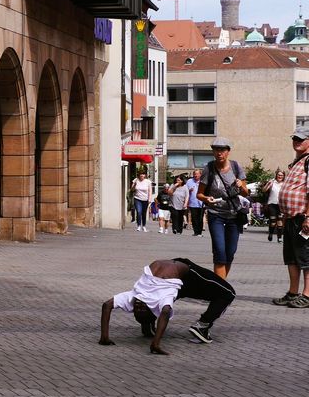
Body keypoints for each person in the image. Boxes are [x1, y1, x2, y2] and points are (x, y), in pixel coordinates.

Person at [98, 257, 235, 354]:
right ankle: (202, 325)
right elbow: (107, 305)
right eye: (140, 308)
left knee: (228, 293)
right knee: (228, 293)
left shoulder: (140, 297)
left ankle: (147, 326)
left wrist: (104, 337)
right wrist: (155, 344)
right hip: (173, 274)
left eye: (137, 308)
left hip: (185, 272)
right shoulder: (144, 296)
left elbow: (107, 305)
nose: (137, 305)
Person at [196, 137, 248, 279]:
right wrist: (207, 199)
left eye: (222, 150)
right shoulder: (209, 168)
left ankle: (221, 285)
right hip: (216, 214)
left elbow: (246, 193)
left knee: (230, 252)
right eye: (216, 150)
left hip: (234, 215)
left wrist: (240, 185)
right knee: (220, 252)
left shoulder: (236, 167)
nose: (219, 153)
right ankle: (220, 289)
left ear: (228, 152)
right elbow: (199, 194)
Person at [272, 128, 309, 308]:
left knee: (306, 258)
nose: (296, 141)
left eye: (300, 139)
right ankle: (293, 292)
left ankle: (307, 295)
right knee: (292, 258)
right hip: (291, 217)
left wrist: (308, 217)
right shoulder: (297, 161)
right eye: (294, 138)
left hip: (303, 217)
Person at [262, 169, 285, 242]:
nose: (280, 176)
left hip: (281, 205)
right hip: (272, 204)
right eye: (279, 175)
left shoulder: (285, 184)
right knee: (273, 221)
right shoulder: (272, 182)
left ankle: (279, 238)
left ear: (283, 176)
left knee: (280, 221)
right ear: (276, 175)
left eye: (281, 175)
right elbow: (264, 190)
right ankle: (271, 233)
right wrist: (267, 184)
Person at [186, 169, 205, 236]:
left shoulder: (203, 181)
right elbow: (185, 191)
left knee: (200, 218)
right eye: (194, 174)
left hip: (201, 203)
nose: (195, 175)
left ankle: (199, 232)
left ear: (200, 174)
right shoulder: (189, 181)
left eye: (197, 174)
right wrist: (189, 190)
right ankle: (196, 232)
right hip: (193, 202)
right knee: (194, 218)